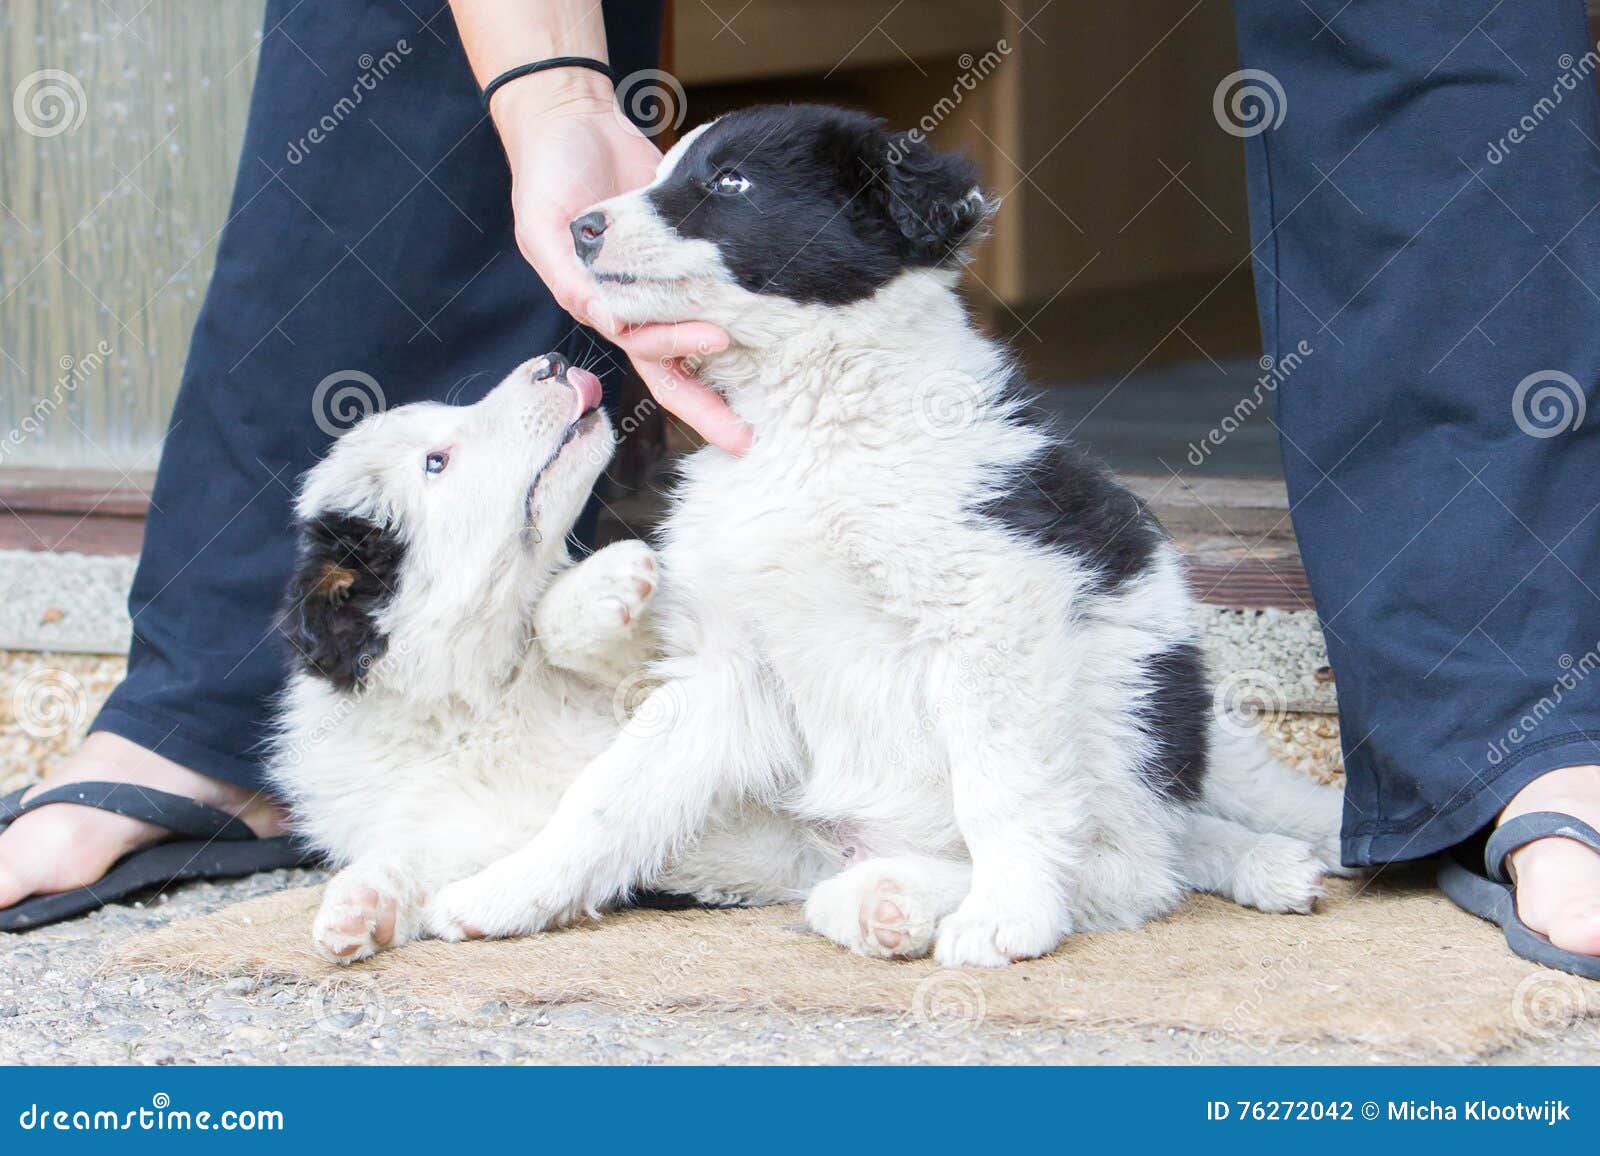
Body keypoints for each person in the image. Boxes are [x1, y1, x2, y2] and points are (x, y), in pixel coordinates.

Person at [2, 1, 1598, 978]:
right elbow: (722, 702)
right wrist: (558, 98)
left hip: (1051, 784)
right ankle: (221, 696)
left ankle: (1518, 708)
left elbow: (1012, 615)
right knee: (408, 17)